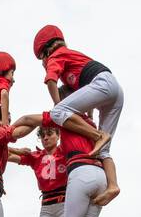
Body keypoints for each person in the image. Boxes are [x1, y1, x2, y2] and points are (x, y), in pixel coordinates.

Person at [33, 25, 123, 206]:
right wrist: (87, 115)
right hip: (115, 91)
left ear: (46, 51)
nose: (43, 63)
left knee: (58, 113)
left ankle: (99, 135)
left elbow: (50, 80)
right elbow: (86, 99)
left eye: (42, 58)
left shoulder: (57, 55)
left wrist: (58, 106)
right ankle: (113, 185)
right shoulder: (73, 58)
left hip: (102, 83)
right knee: (103, 150)